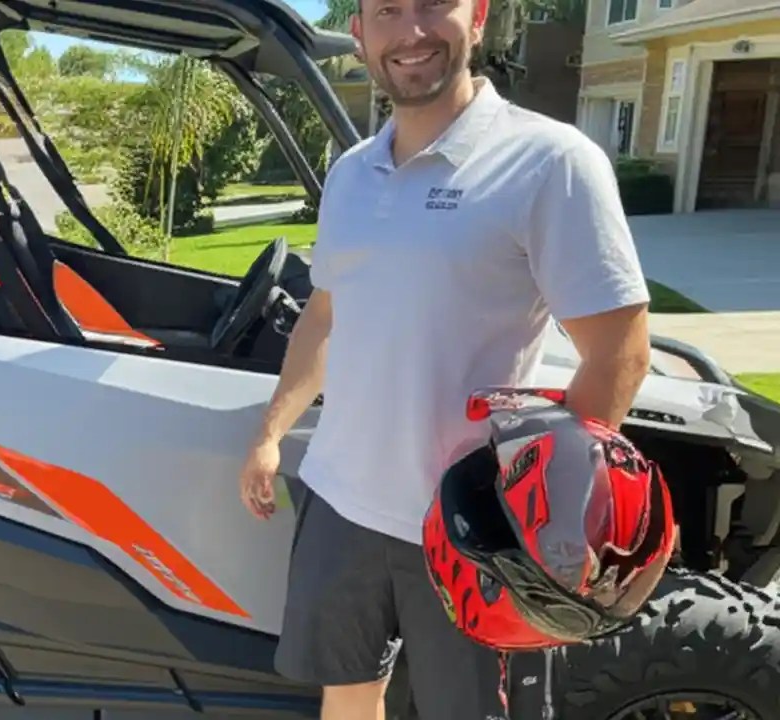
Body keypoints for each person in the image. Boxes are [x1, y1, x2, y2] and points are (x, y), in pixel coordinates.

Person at [236, 0, 653, 717]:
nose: (412, 31)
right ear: (360, 32)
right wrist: (271, 434)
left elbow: (621, 350)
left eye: (434, 4)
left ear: (479, 15)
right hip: (340, 499)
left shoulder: (550, 162)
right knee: (347, 696)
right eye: (388, 10)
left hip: (475, 529)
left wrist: (545, 521)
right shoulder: (352, 173)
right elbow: (327, 314)